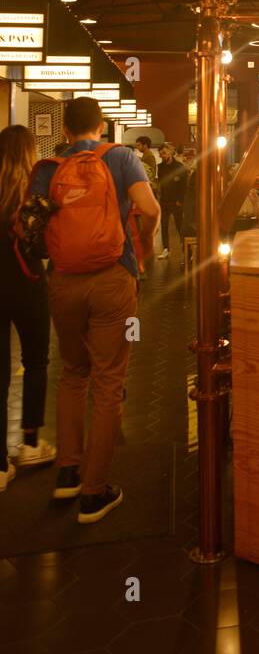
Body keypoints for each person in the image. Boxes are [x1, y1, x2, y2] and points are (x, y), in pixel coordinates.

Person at [27, 97, 160, 523]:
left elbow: (31, 223)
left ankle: (67, 473)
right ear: (101, 126)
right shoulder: (120, 157)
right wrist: (145, 244)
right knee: (108, 380)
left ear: (65, 129)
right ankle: (94, 491)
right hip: (112, 276)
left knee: (73, 373)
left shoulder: (49, 168)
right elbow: (151, 208)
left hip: (63, 280)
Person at [0, 126, 54, 490]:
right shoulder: (33, 192)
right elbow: (45, 248)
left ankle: (0, 465)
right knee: (35, 361)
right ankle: (31, 442)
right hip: (28, 283)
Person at [156, 143, 188, 262]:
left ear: (170, 152)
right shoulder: (160, 167)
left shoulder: (180, 166)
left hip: (176, 202)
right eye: (160, 154)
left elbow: (184, 186)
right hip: (164, 201)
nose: (162, 156)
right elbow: (161, 183)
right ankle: (166, 249)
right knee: (164, 226)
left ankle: (186, 250)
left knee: (180, 226)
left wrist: (180, 201)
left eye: (164, 153)